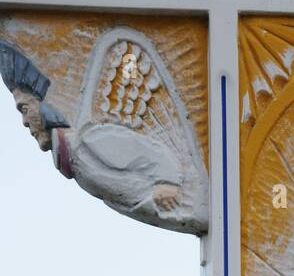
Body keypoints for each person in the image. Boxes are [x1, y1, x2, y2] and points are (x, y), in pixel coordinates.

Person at [0, 38, 204, 233]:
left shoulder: (91, 140)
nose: (25, 122)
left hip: (183, 199)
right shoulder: (76, 164)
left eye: (24, 109)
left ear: (44, 107)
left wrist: (167, 182)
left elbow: (149, 152)